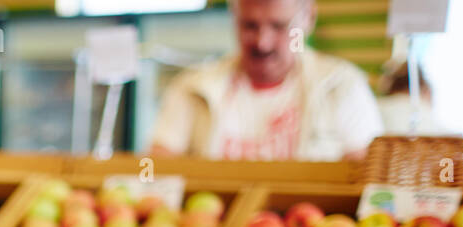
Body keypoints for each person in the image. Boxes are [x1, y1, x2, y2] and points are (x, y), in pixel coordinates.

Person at [150, 0, 383, 162]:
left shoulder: (341, 86)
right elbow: (153, 166)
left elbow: (365, 177)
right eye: (249, 25)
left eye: (279, 26)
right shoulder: (192, 88)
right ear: (234, 18)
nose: (263, 42)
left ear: (308, 18)